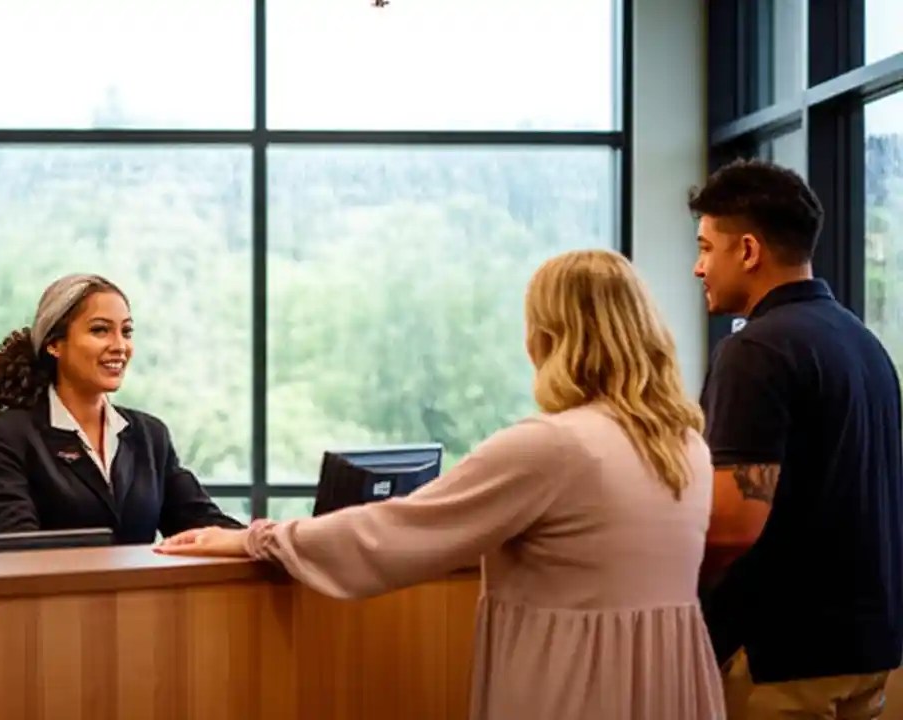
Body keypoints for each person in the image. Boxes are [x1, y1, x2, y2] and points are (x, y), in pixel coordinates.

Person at [157, 249, 727, 720]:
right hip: (672, 682)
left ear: (549, 336)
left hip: (575, 686)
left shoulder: (555, 445)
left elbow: (394, 533)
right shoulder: (685, 445)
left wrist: (258, 537)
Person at [689, 158, 903, 719]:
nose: (698, 267)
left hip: (780, 659)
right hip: (865, 652)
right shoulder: (864, 344)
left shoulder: (755, 351)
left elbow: (733, 525)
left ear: (749, 250)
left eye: (706, 247)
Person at [0, 273, 243, 545]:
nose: (120, 346)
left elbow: (202, 522)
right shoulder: (4, 438)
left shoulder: (150, 436)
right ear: (54, 344)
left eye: (126, 332)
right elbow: (18, 546)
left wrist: (259, 539)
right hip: (57, 578)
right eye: (100, 330)